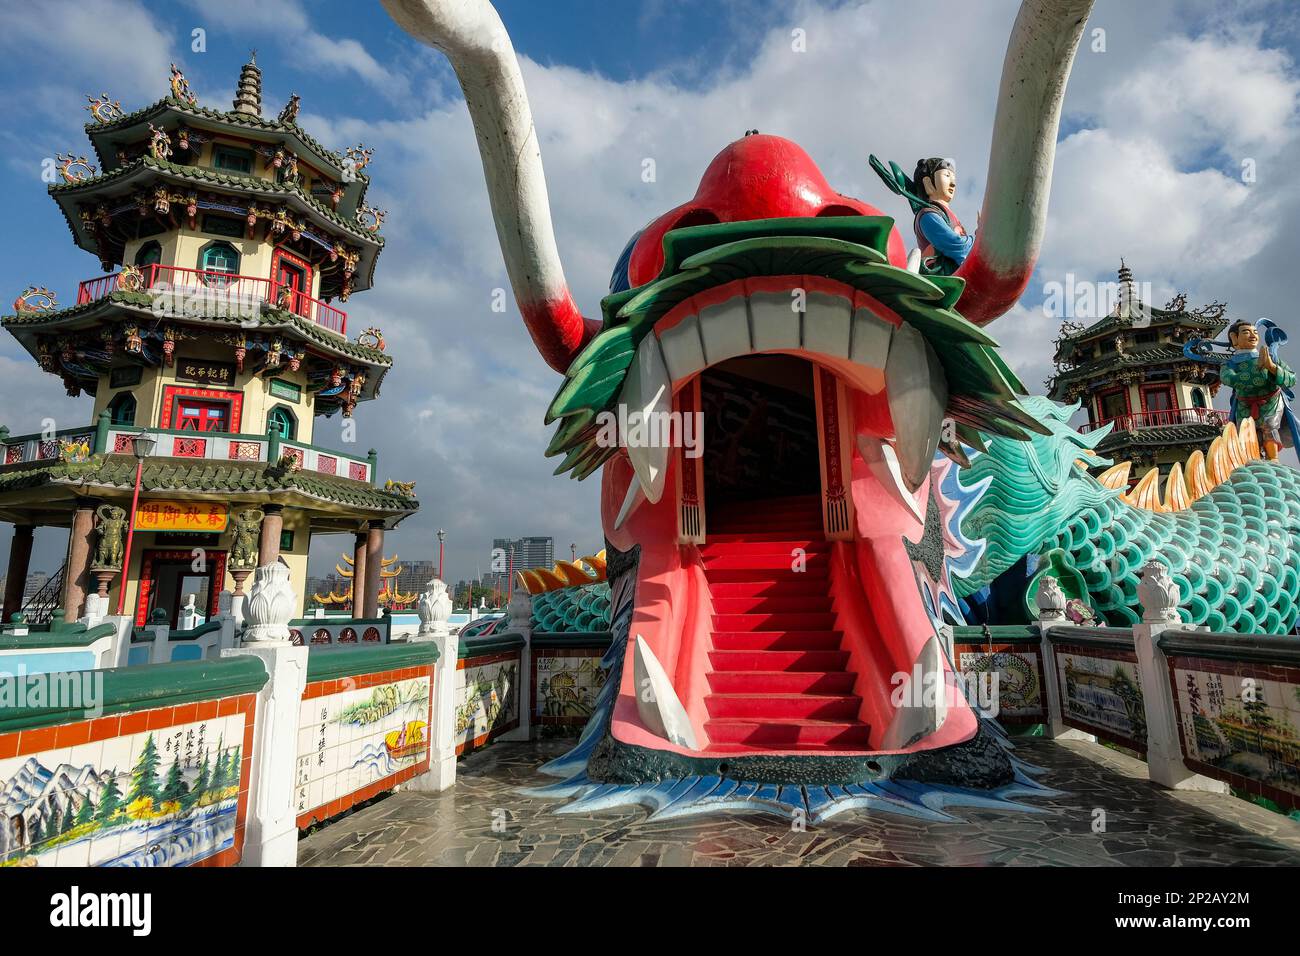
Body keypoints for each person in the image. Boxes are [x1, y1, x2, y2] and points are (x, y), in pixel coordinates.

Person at [868, 154, 974, 275]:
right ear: (928, 183)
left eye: (953, 178)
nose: (953, 183)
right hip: (942, 280)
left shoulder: (948, 215)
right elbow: (957, 246)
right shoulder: (928, 215)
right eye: (946, 176)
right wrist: (978, 239)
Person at [1221, 319, 1297, 460]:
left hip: (1271, 401)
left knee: (1269, 426)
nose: (1252, 335)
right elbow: (1229, 379)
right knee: (1246, 432)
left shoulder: (1271, 358)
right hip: (1245, 404)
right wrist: (1259, 372)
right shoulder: (1230, 364)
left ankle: (1273, 459)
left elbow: (1292, 379)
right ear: (1234, 338)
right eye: (1246, 332)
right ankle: (1252, 460)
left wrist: (1272, 367)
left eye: (1255, 332)